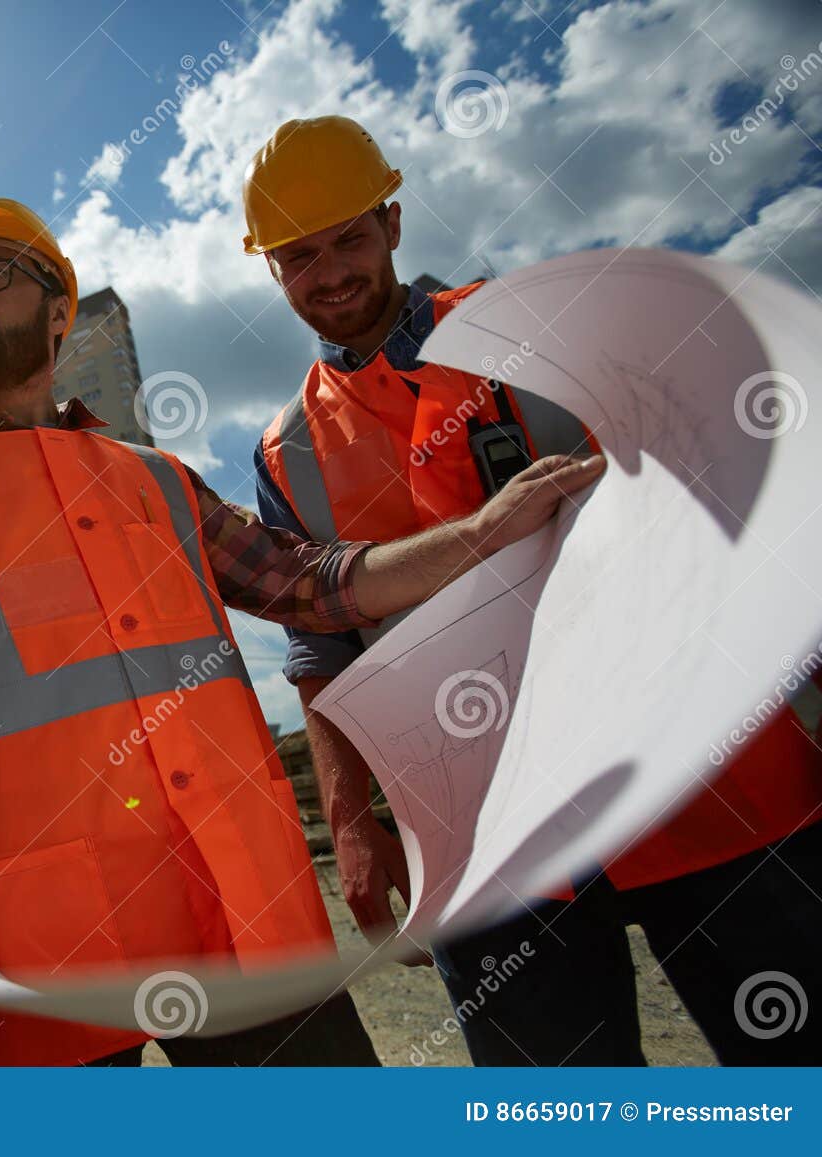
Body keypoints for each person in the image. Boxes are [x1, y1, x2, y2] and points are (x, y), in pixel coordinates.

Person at [0, 195, 604, 1066]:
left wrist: (475, 535)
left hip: (237, 901)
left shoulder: (155, 479)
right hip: (45, 938)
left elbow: (315, 587)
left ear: (60, 309)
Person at [246, 115, 822, 1065]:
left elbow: (732, 491)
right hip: (486, 826)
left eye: (350, 237)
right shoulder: (285, 450)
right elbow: (319, 641)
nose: (332, 272)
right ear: (274, 272)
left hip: (703, 768)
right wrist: (351, 816)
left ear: (393, 224)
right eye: (301, 256)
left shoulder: (545, 322)